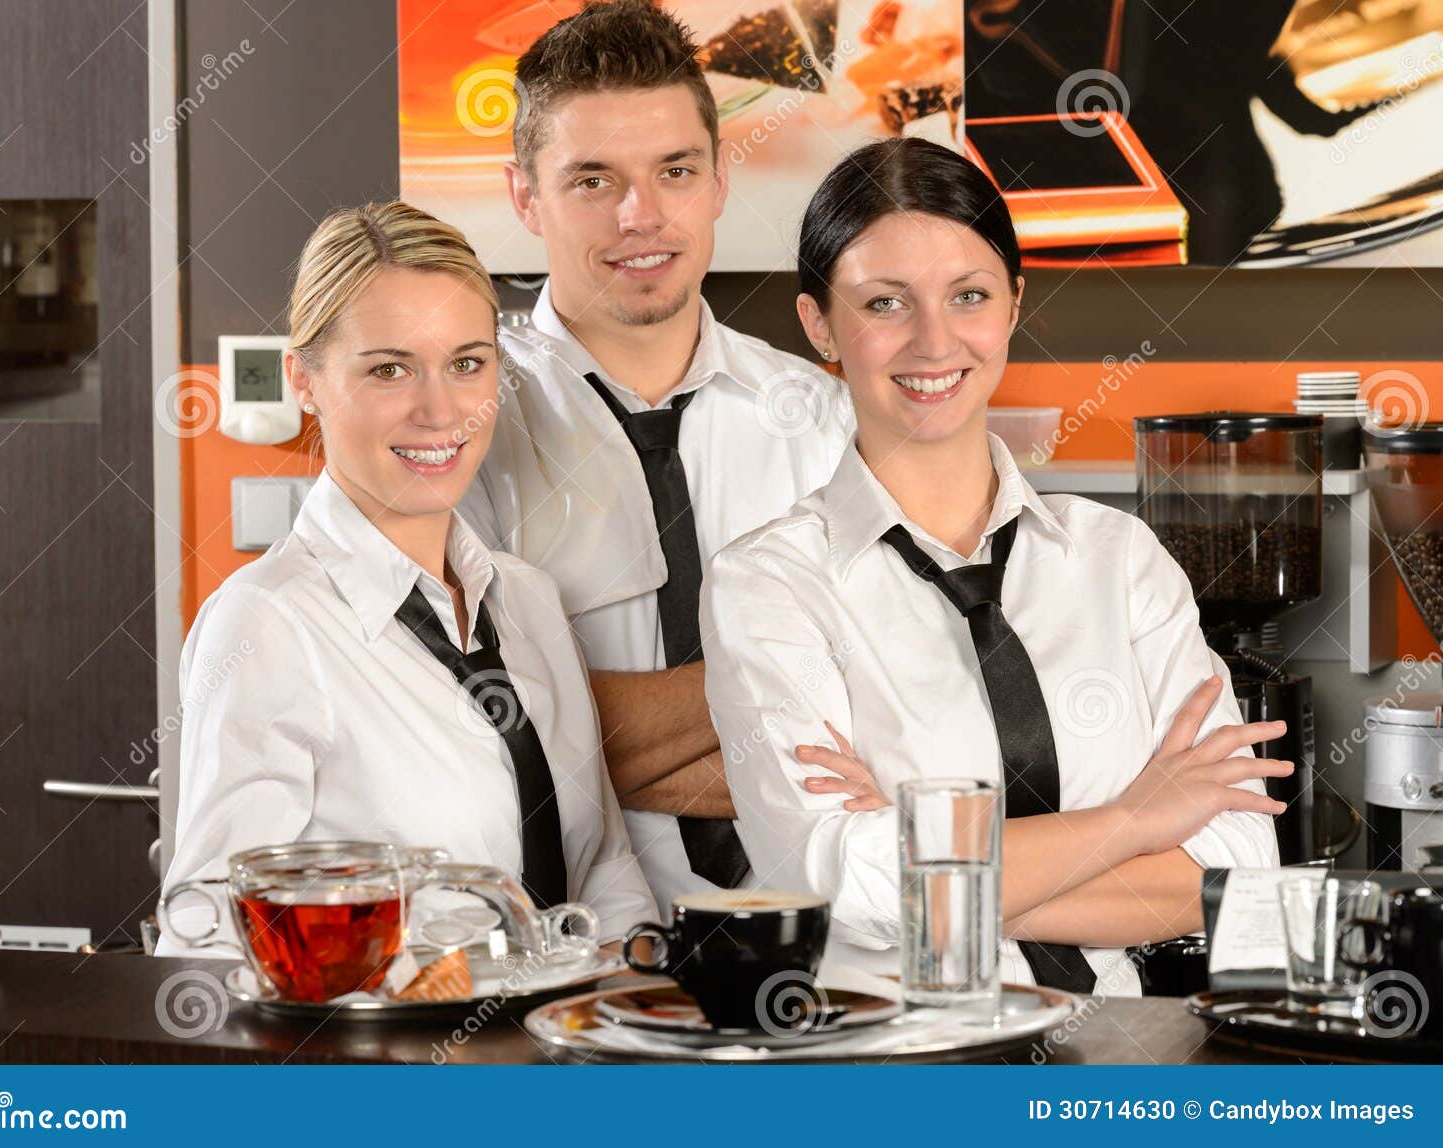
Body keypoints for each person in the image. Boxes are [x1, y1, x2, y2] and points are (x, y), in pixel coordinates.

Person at [700, 137, 1289, 995]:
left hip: (1115, 1066)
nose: (934, 341)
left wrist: (929, 871)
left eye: (967, 295)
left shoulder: (1120, 561)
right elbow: (837, 883)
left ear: (1012, 305)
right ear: (819, 324)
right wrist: (1134, 819)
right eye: (885, 303)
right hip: (900, 1066)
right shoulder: (770, 584)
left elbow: (1232, 873)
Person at [158, 200, 655, 956]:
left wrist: (632, 1000)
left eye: (466, 363)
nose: (440, 409)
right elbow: (208, 937)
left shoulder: (527, 600)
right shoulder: (266, 625)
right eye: (389, 368)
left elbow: (603, 864)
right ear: (304, 379)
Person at [459, 0, 852, 910]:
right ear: (525, 196)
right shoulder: (461, 431)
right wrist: (791, 688)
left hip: (828, 951)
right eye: (593, 179)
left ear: (718, 180)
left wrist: (575, 735)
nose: (643, 215)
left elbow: (915, 713)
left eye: (675, 170)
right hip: (564, 962)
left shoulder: (825, 423)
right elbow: (466, 735)